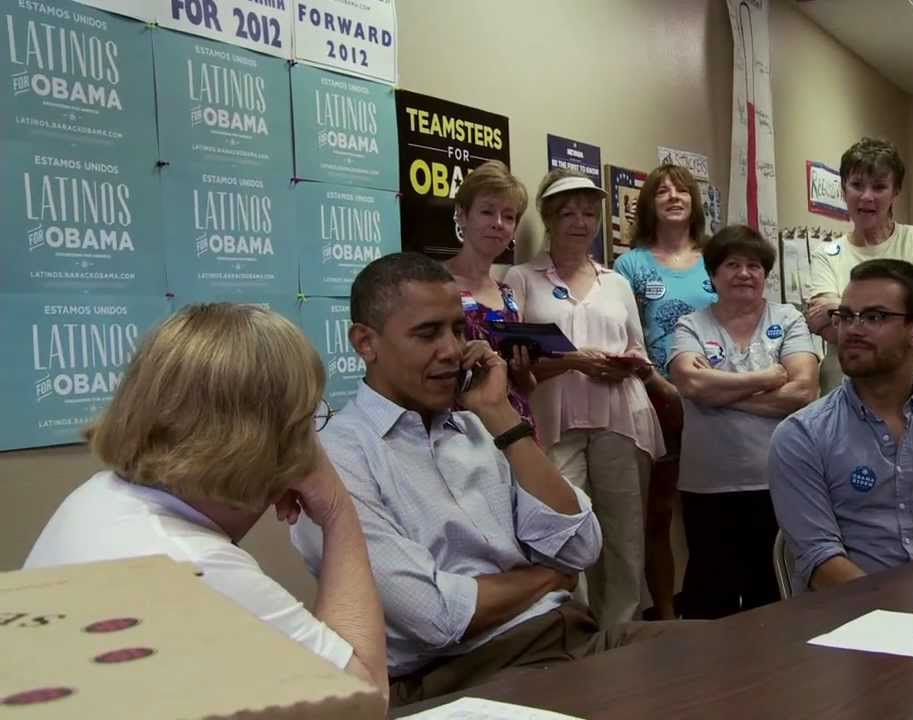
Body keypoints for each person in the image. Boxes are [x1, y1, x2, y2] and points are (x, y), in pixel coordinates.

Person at [291, 253, 680, 704]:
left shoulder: (479, 427)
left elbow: (580, 547)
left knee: (716, 654)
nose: (453, 351)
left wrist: (501, 416)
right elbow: (437, 615)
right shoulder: (339, 457)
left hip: (574, 637)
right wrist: (549, 578)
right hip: (467, 677)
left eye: (457, 330)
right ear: (365, 343)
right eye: (427, 333)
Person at [25, 304, 388, 707]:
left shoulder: (99, 496)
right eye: (305, 422)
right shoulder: (192, 567)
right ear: (271, 439)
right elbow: (365, 700)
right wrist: (338, 511)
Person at [506, 168, 676, 628]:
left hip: (619, 417)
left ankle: (620, 633)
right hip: (553, 423)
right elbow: (515, 362)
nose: (580, 222)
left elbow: (639, 350)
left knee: (623, 535)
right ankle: (572, 634)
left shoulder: (615, 281)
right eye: (568, 213)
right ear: (548, 217)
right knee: (563, 532)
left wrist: (632, 365)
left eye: (588, 212)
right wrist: (573, 363)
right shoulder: (521, 279)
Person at [770, 259, 913, 591]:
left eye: (874, 317)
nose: (853, 329)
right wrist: (910, 614)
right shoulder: (801, 435)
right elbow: (820, 562)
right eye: (845, 316)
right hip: (846, 622)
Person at [667, 225, 818, 618]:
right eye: (732, 264)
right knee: (708, 594)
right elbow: (691, 382)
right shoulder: (691, 325)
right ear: (713, 275)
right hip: (707, 485)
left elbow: (803, 392)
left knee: (768, 593)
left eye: (754, 265)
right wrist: (765, 380)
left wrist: (721, 396)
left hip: (777, 480)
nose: (744, 273)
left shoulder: (787, 319)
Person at [612, 164, 717, 620]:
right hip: (654, 400)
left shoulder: (716, 257)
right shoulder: (630, 264)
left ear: (694, 201)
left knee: (710, 515)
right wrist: (655, 381)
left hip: (716, 400)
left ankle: (712, 607)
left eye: (682, 190)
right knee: (656, 516)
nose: (673, 196)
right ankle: (668, 616)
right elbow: (625, 334)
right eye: (663, 191)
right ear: (649, 204)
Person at [803, 138, 913, 398]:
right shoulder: (827, 253)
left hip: (911, 396)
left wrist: (842, 312)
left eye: (879, 187)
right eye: (857, 185)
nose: (866, 196)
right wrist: (895, 319)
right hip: (842, 397)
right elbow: (820, 324)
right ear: (843, 190)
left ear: (895, 193)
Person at [444, 160, 536, 428]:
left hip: (515, 429)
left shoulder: (507, 292)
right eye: (487, 212)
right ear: (462, 214)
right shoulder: (436, 283)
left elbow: (526, 386)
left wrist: (522, 369)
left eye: (508, 216)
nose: (498, 223)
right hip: (461, 432)